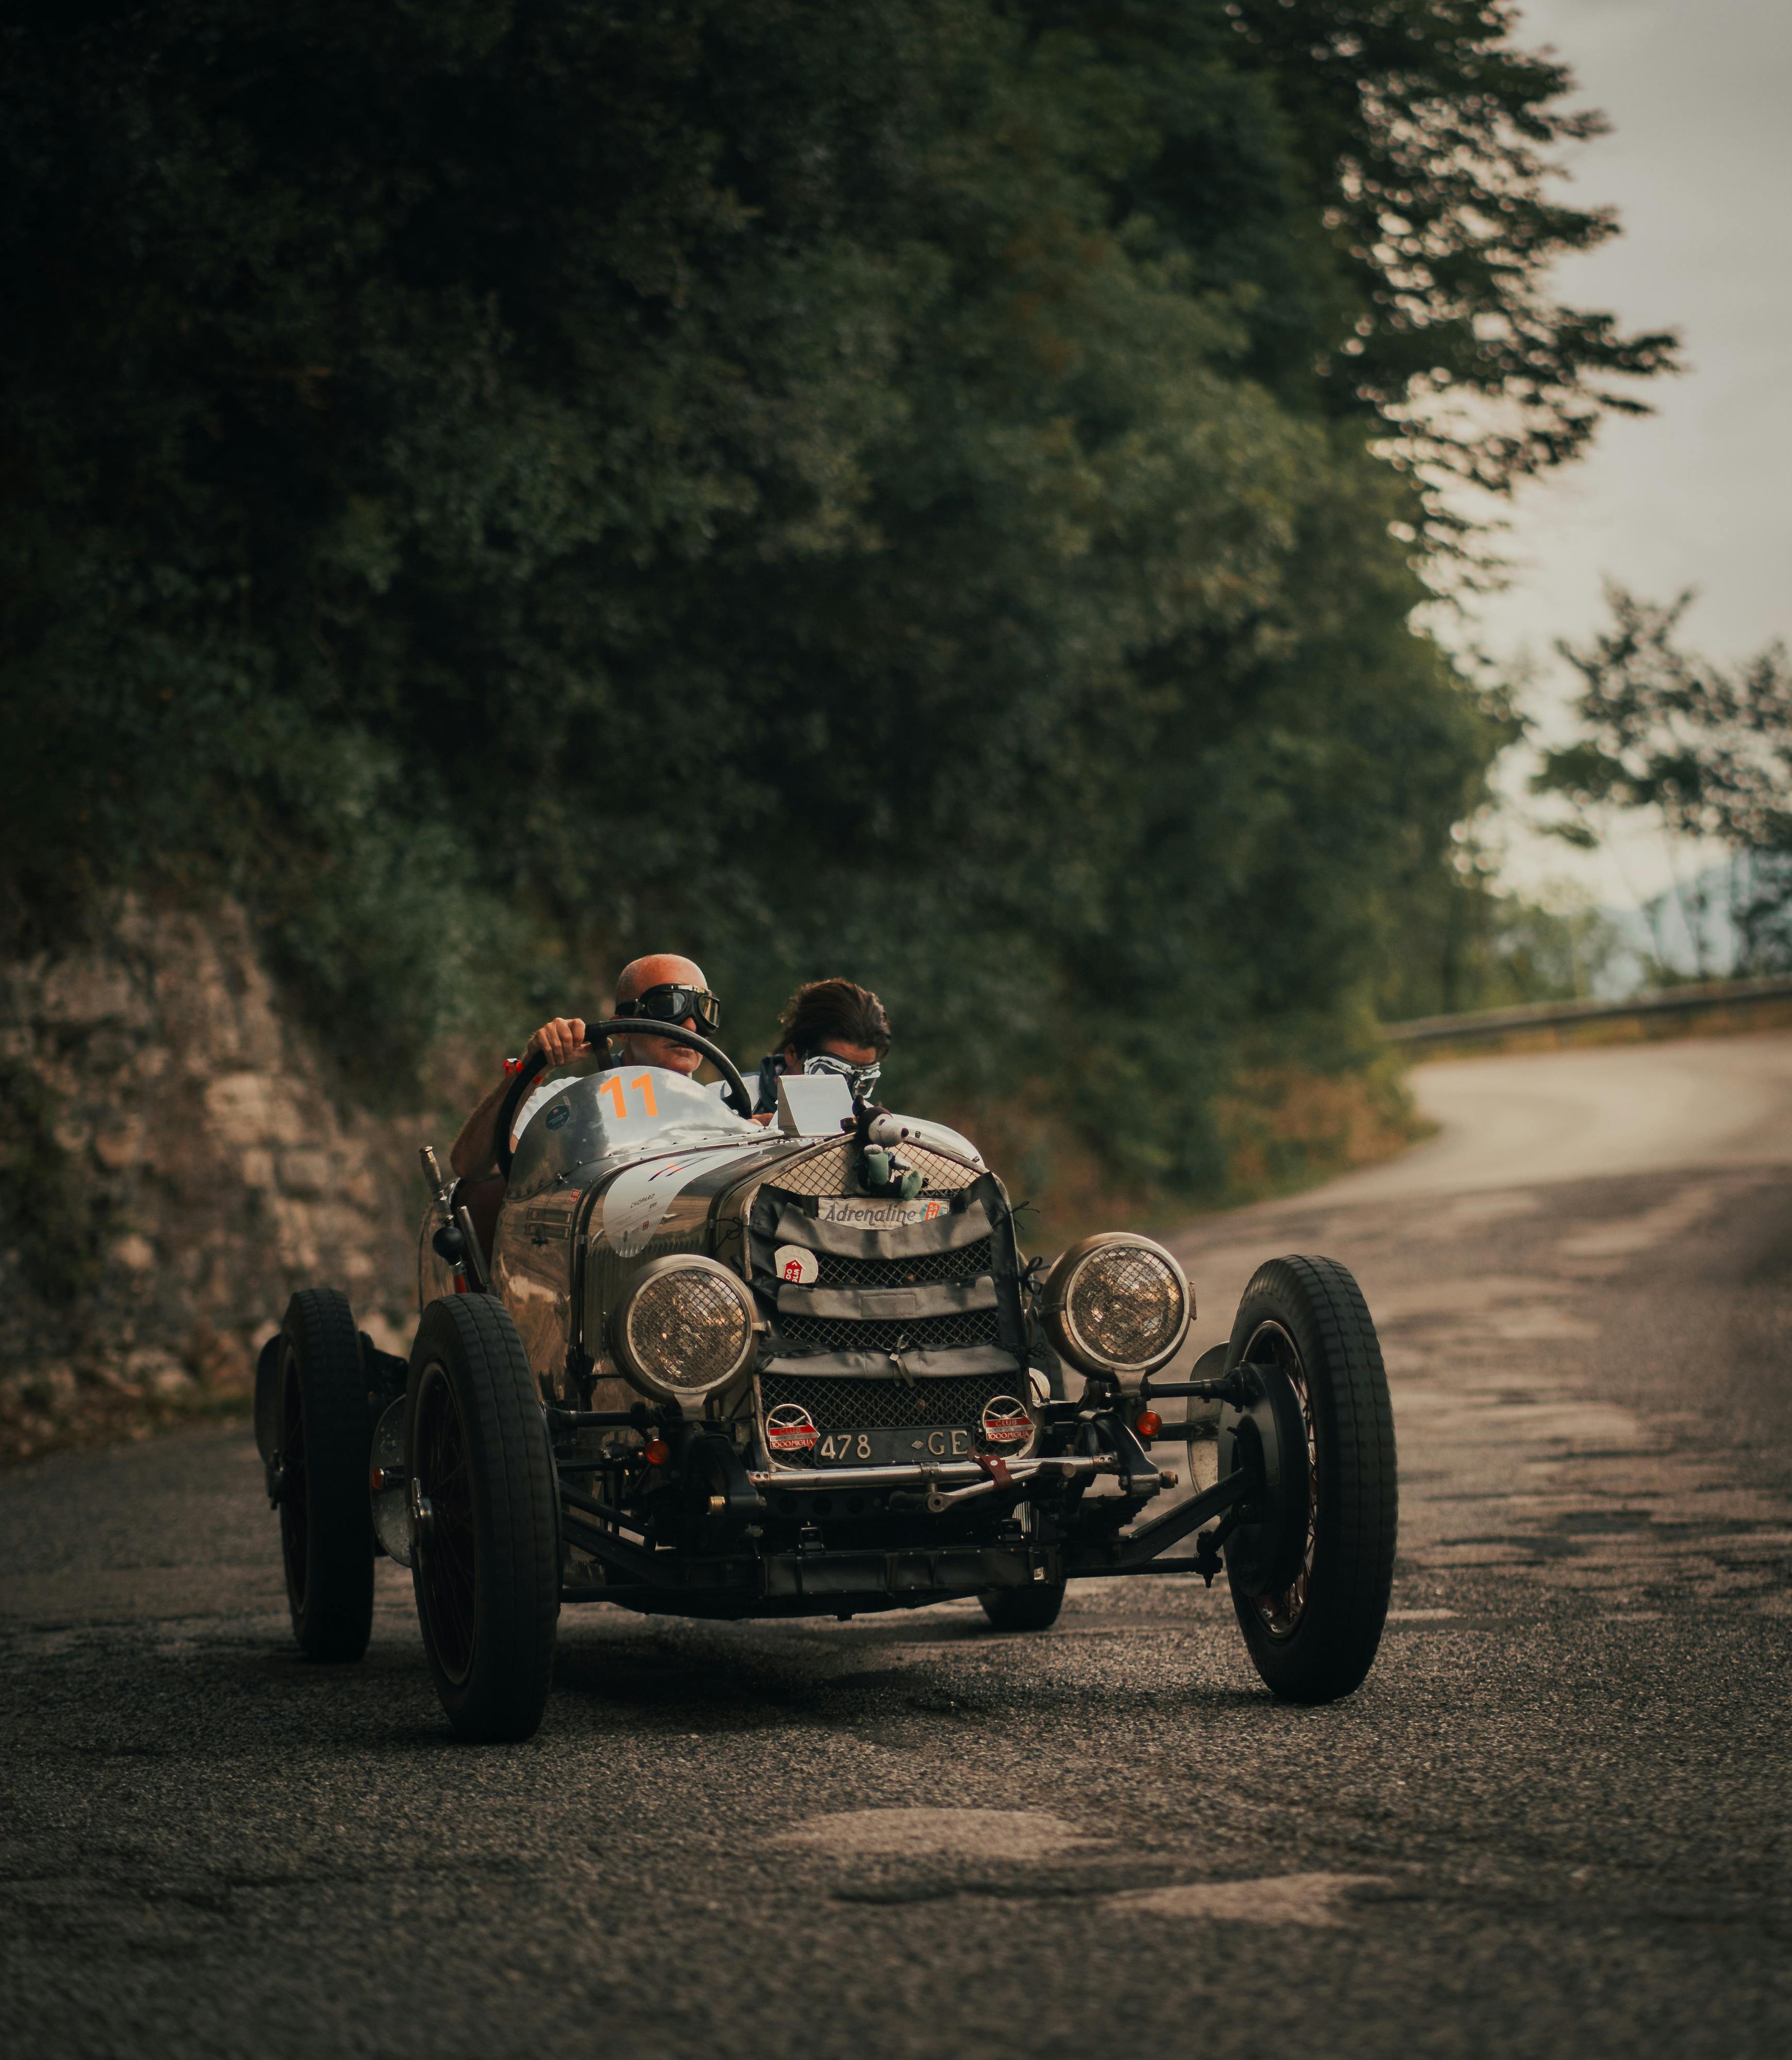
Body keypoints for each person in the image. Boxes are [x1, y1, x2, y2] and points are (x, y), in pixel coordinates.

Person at [449, 952, 722, 1180]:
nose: (691, 1025)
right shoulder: (568, 1102)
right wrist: (533, 1067)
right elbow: (470, 1165)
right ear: (623, 1027)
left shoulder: (725, 1117)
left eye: (704, 1010)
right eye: (670, 1006)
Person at [752, 977, 891, 1115]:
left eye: (863, 1083)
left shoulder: (870, 1124)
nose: (846, 1098)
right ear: (792, 1053)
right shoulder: (734, 1109)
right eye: (831, 1074)